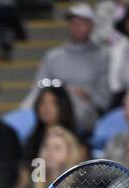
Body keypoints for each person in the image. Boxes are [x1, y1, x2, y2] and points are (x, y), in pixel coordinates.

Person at [23, 3, 110, 133]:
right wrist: (61, 87)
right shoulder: (53, 56)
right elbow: (39, 84)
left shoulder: (102, 57)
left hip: (85, 119)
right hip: (54, 112)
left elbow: (105, 100)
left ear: (92, 26)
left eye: (82, 23)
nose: (77, 27)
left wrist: (88, 95)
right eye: (73, 23)